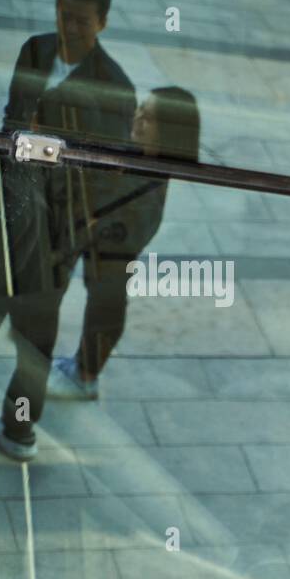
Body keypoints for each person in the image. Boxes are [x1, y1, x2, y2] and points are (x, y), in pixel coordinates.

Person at [0, 0, 134, 460]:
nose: (70, 28)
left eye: (82, 21)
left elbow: (103, 179)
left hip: (51, 242)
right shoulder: (36, 50)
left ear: (102, 23)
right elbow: (12, 119)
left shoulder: (116, 89)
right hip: (3, 223)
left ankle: (18, 431)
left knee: (31, 349)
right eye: (65, 16)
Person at [48, 86, 200, 400]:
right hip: (107, 235)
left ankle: (84, 375)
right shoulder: (140, 154)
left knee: (107, 296)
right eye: (141, 109)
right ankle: (83, 369)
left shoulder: (149, 182)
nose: (139, 117)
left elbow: (123, 219)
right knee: (103, 293)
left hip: (117, 239)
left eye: (151, 117)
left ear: (170, 131)